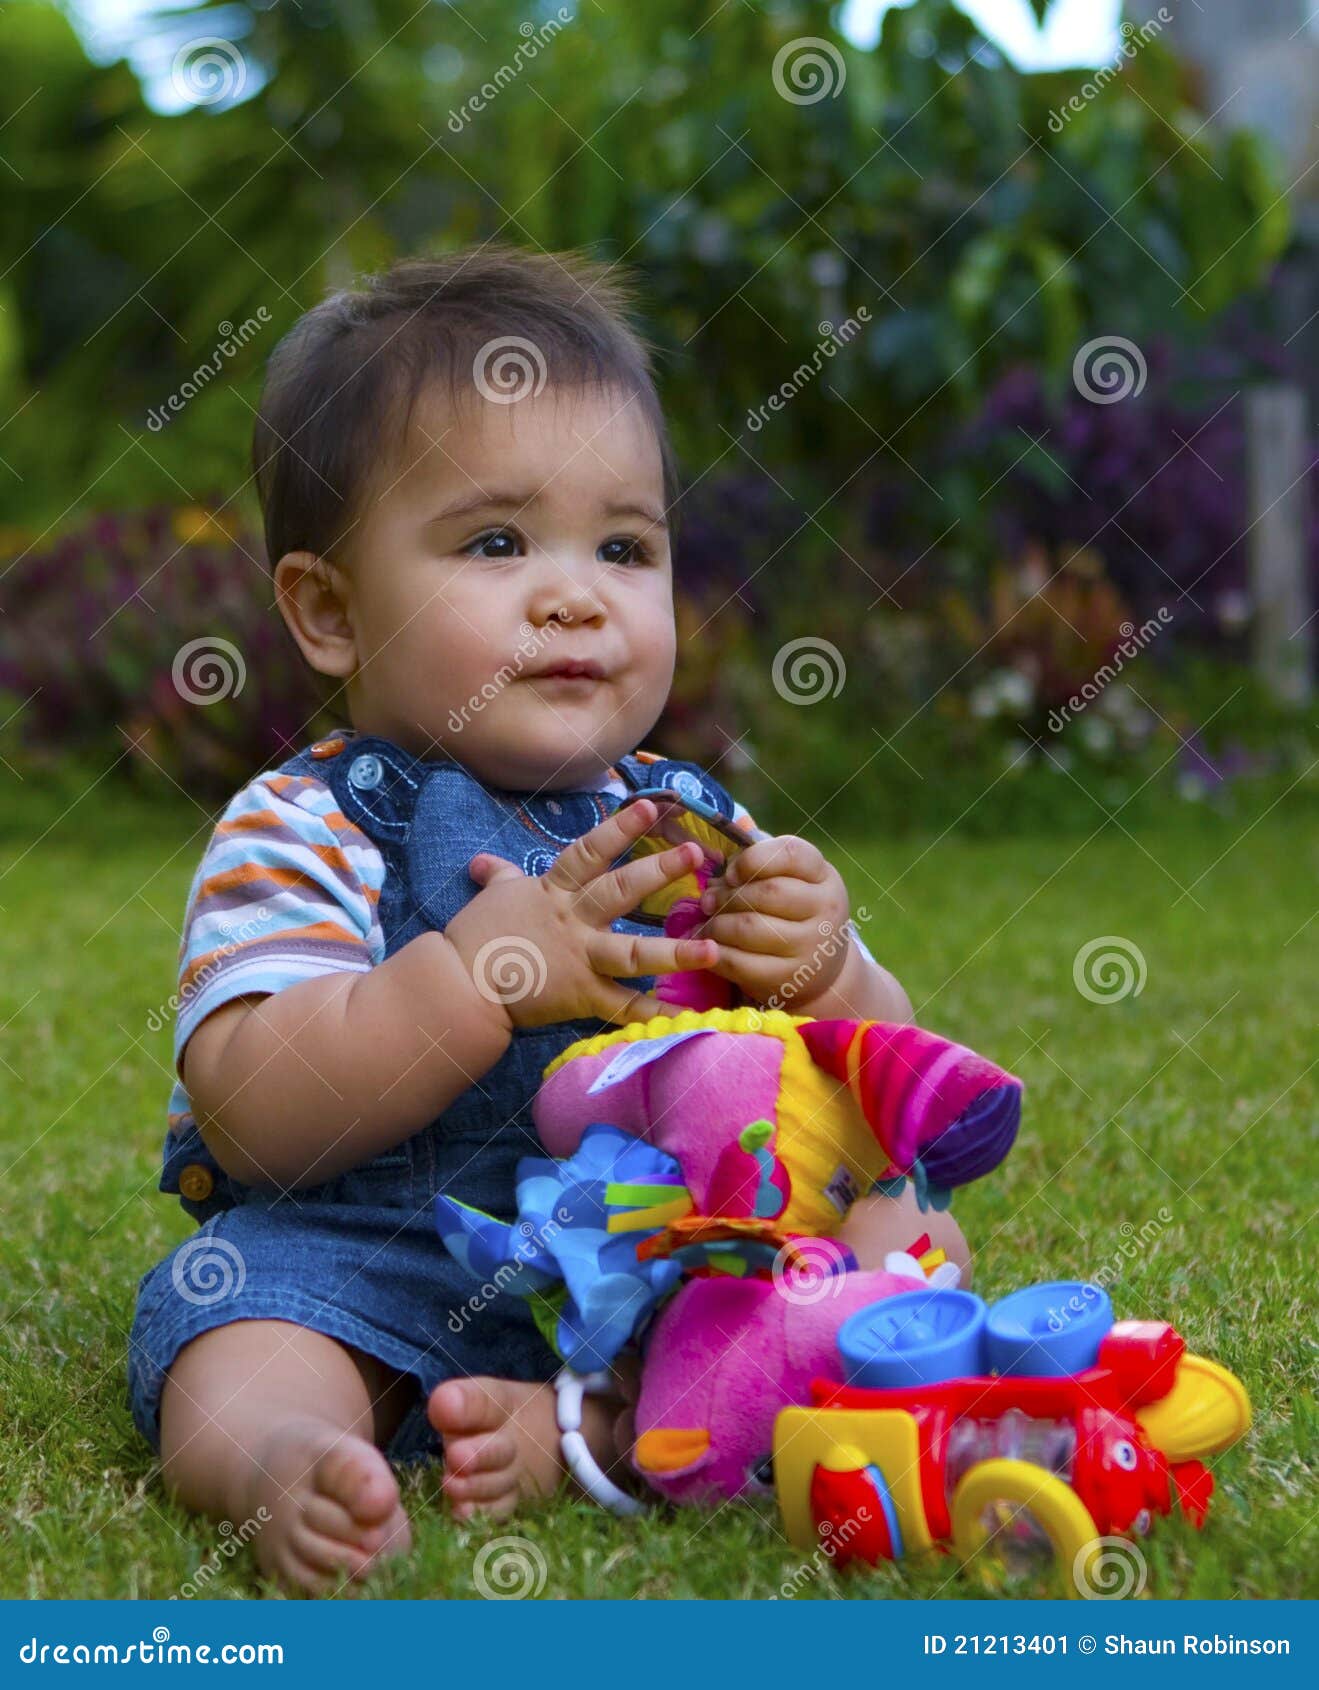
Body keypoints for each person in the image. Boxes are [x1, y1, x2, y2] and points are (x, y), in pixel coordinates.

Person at [127, 247, 965, 1593]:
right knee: (235, 1328)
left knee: (891, 1217)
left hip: (668, 1247)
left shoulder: (690, 820)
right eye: (498, 542)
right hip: (381, 1260)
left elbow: (875, 1083)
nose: (577, 593)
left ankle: (635, 1418)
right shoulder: (305, 823)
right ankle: (290, 1456)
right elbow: (253, 1102)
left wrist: (834, 966)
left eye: (624, 546)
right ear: (329, 611)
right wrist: (480, 975)